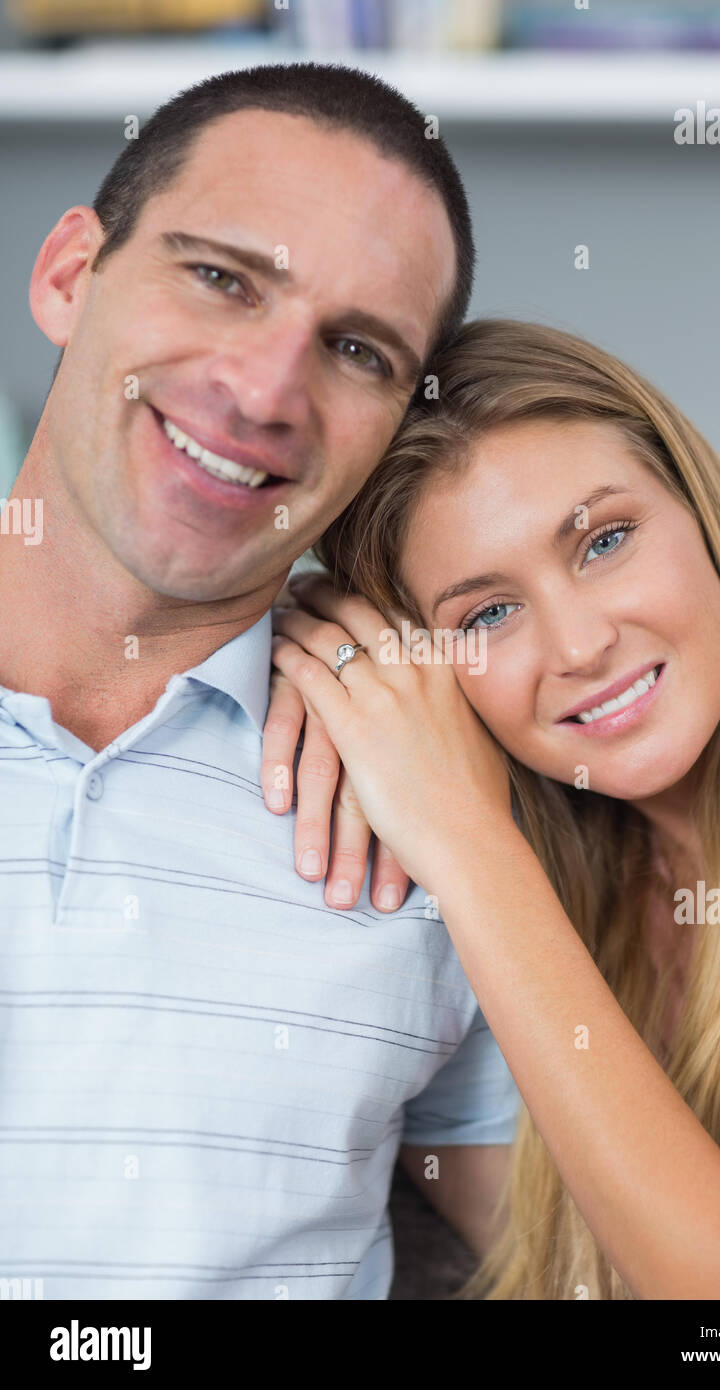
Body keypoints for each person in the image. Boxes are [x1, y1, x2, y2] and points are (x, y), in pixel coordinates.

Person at [0, 64, 521, 1301]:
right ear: (71, 275)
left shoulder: (430, 791)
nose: (264, 393)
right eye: (223, 276)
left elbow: (589, 1279)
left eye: (356, 349)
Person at [264, 318, 720, 1300]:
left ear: (701, 508)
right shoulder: (561, 893)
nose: (579, 643)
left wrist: (466, 841)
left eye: (604, 540)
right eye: (486, 614)